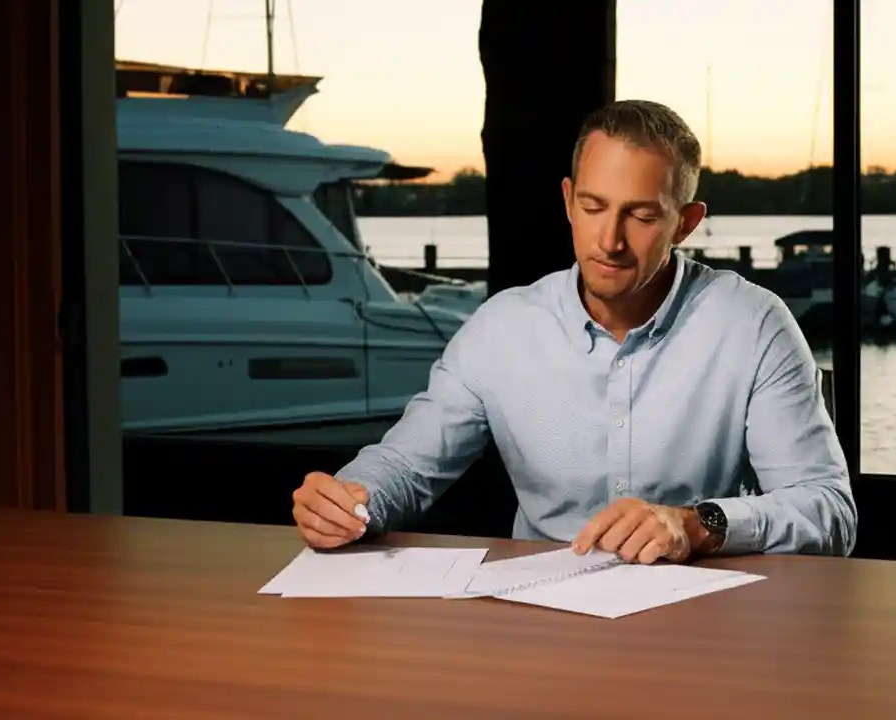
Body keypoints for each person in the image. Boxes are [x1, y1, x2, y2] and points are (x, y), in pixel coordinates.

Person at [291, 99, 856, 564]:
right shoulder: (502, 328)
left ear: (685, 223)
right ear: (568, 202)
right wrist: (351, 500)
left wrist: (697, 524)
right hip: (536, 625)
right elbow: (405, 465)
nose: (609, 241)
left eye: (640, 215)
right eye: (593, 207)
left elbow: (829, 511)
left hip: (696, 624)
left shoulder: (752, 323)